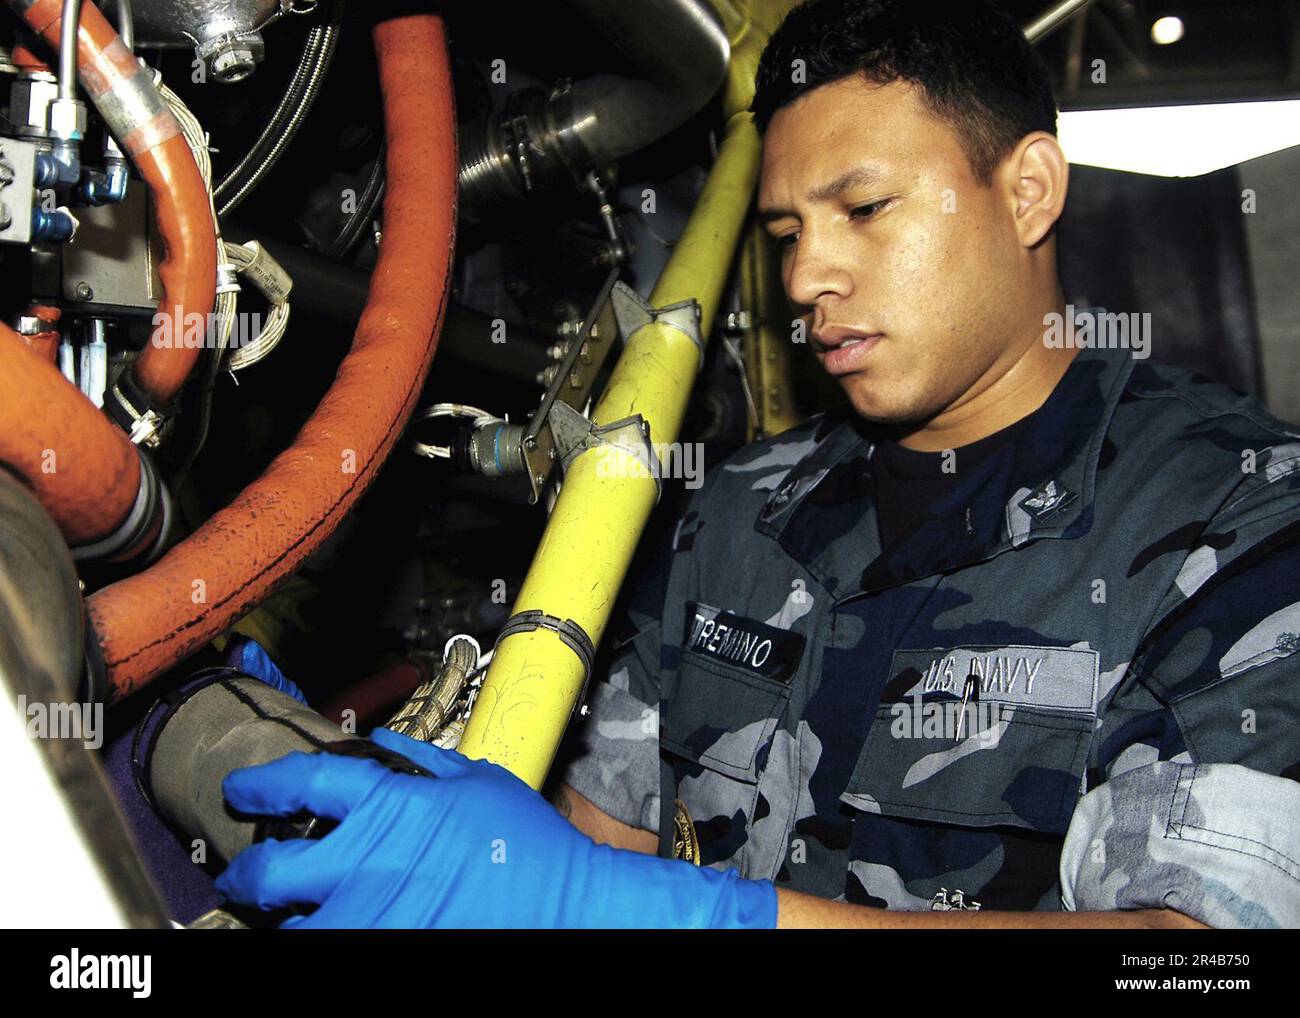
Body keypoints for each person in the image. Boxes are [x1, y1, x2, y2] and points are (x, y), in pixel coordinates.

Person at [214, 0, 1300, 928]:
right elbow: (600, 835)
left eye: (863, 209)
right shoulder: (737, 507)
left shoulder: (1238, 516)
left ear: (1028, 191)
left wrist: (663, 917)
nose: (806, 274)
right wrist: (389, 803)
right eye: (783, 231)